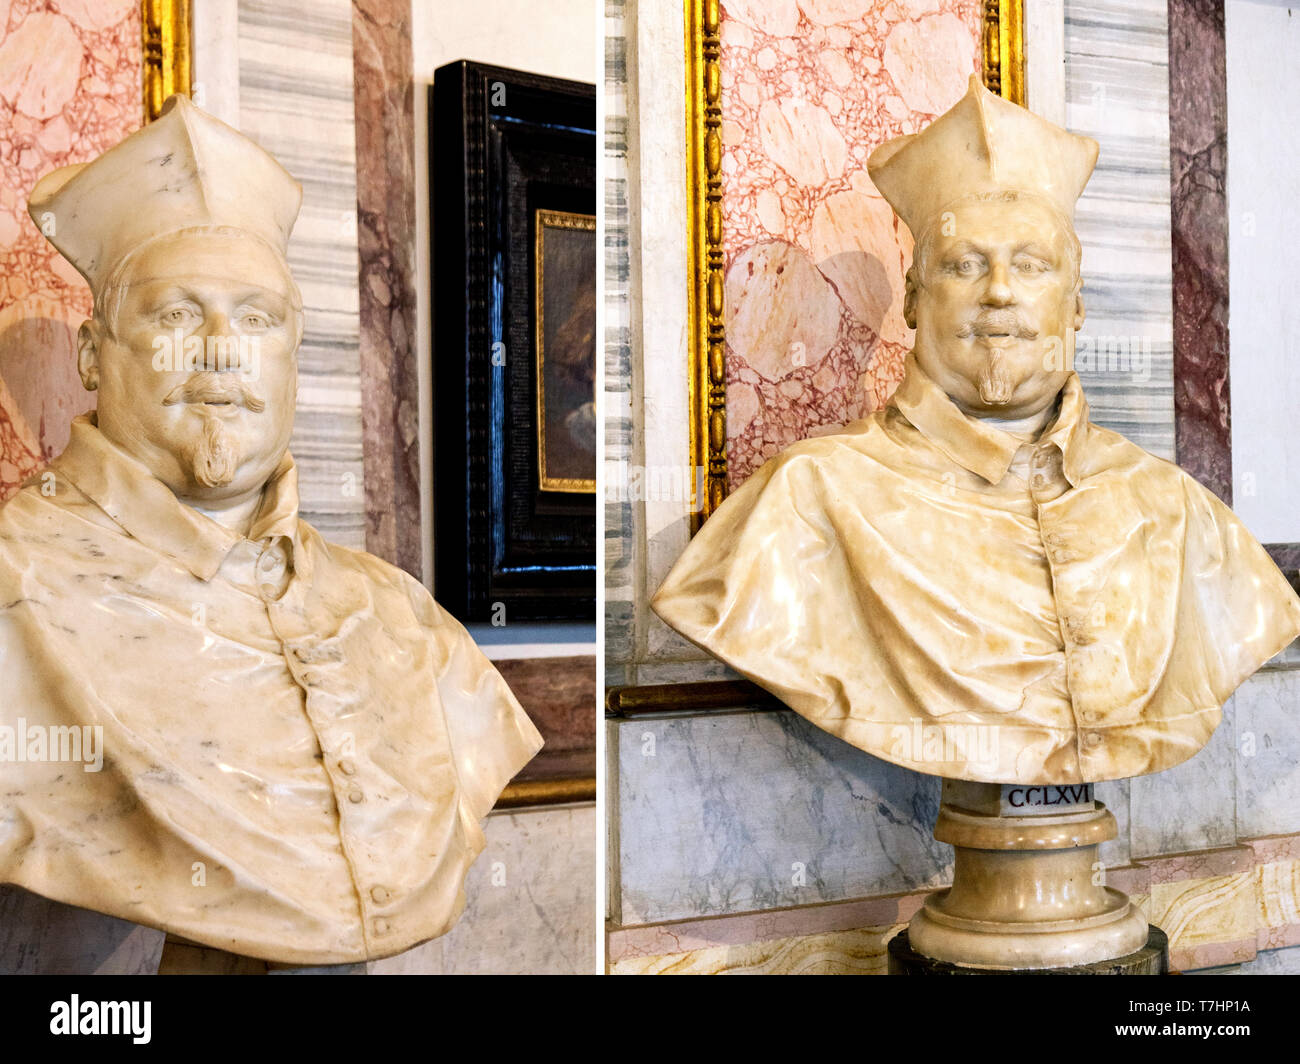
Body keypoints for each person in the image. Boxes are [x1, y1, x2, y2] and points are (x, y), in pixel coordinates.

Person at [0, 96, 542, 965]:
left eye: (257, 320)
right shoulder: (12, 595)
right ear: (94, 354)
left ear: (293, 354)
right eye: (176, 314)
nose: (221, 349)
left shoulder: (399, 614)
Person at [652, 76, 1300, 785]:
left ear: (1075, 303)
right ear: (912, 300)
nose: (998, 291)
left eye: (1030, 265)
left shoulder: (1177, 511)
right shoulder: (806, 501)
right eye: (964, 265)